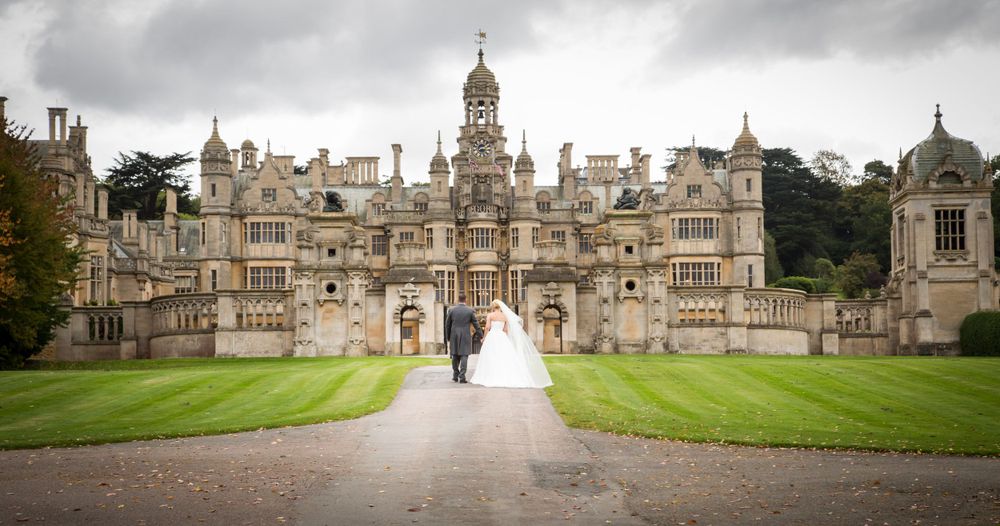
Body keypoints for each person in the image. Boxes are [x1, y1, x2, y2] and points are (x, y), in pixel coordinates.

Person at [470, 299, 553, 389]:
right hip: (502, 337)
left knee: (491, 355)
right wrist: (505, 339)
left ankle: (492, 374)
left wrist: (485, 337)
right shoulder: (505, 316)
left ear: (493, 307)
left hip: (492, 336)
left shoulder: (490, 315)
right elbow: (506, 330)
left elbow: (487, 327)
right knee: (503, 356)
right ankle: (504, 375)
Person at [444, 293, 482, 383]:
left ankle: (455, 375)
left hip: (454, 334)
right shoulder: (470, 311)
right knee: (464, 355)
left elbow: (447, 325)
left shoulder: (452, 310)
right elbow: (476, 324)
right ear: (466, 300)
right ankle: (462, 377)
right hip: (465, 334)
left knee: (454, 355)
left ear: (458, 300)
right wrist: (481, 335)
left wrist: (448, 337)